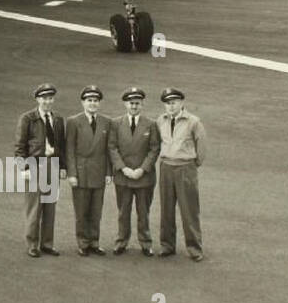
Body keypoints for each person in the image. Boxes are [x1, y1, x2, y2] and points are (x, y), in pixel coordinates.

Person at [14, 83, 66, 257]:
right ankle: (33, 244)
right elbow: (19, 148)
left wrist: (63, 167)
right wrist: (24, 168)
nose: (48, 102)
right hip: (35, 166)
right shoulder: (28, 119)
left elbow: (61, 146)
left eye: (50, 98)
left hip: (52, 165)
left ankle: (47, 243)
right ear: (37, 99)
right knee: (34, 207)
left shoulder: (58, 120)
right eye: (44, 98)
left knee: (50, 206)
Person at [108, 86, 161, 255]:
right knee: (123, 211)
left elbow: (154, 149)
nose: (134, 106)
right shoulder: (116, 123)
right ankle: (121, 241)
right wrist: (123, 168)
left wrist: (142, 169)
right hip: (123, 177)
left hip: (144, 177)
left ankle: (145, 243)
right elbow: (112, 147)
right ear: (125, 104)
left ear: (142, 104)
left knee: (143, 212)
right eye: (131, 103)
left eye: (137, 103)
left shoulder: (151, 124)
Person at [156, 87, 206, 261]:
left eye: (173, 103)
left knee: (189, 210)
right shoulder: (160, 120)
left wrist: (192, 163)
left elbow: (201, 147)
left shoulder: (193, 121)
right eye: (167, 103)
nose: (170, 106)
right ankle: (167, 246)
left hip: (185, 168)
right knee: (166, 210)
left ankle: (194, 248)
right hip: (166, 168)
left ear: (181, 103)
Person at [64, 85, 114, 256]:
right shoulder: (73, 121)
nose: (93, 103)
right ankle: (83, 243)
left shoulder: (107, 122)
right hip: (81, 171)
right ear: (83, 102)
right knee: (82, 210)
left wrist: (109, 173)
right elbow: (69, 149)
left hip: (99, 171)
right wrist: (71, 174)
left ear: (99, 103)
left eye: (95, 100)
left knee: (96, 210)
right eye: (89, 100)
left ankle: (94, 241)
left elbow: (109, 150)